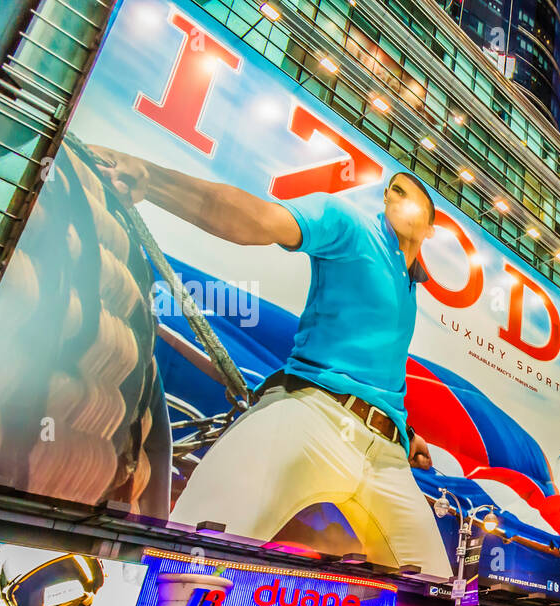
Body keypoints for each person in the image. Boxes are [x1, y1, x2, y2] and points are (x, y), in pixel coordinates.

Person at [88, 147, 451, 577]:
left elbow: (376, 364)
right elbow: (257, 219)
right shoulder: (349, 224)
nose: (393, 194)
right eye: (391, 189)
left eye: (407, 192)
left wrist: (404, 430)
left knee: (439, 595)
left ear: (430, 227)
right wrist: (150, 175)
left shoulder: (411, 286)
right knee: (191, 555)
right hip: (312, 414)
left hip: (388, 454)